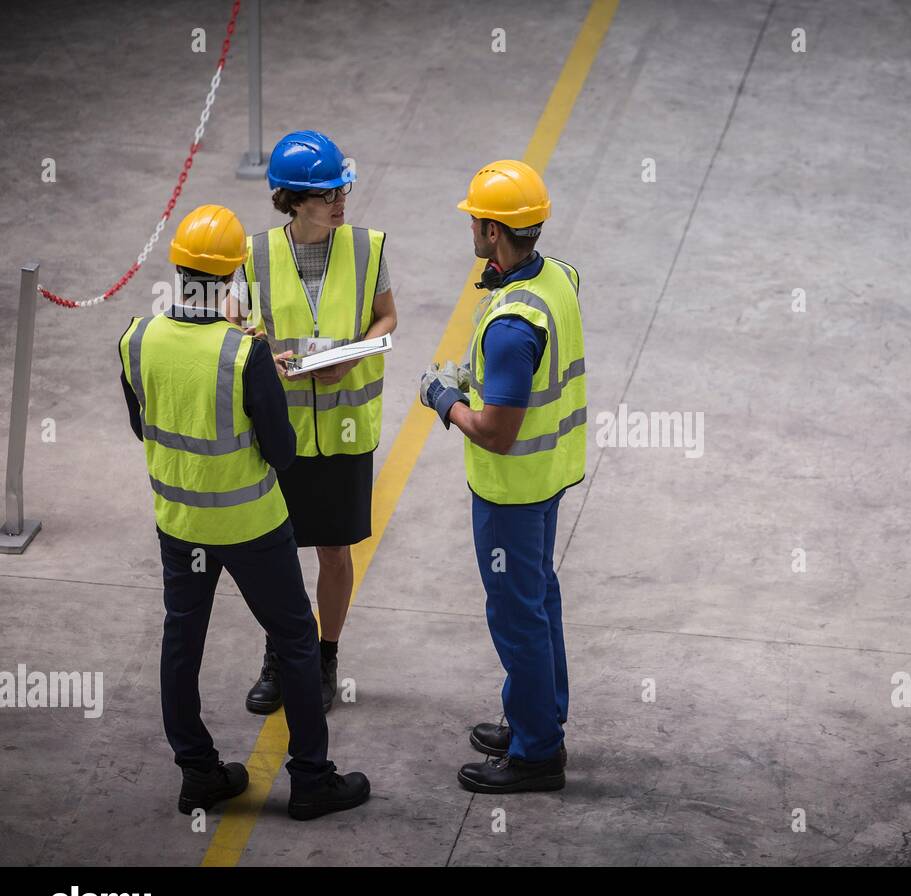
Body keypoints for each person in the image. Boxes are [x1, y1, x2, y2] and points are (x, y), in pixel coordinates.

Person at [119, 204, 370, 820]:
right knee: (296, 644)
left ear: (177, 268)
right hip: (252, 527)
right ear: (234, 276)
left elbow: (141, 425)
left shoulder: (136, 338)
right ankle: (311, 779)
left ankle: (199, 773)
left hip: (180, 526)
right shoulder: (243, 353)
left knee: (182, 644)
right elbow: (281, 453)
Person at [420, 160, 586, 793]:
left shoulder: (513, 326)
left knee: (516, 615)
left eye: (476, 222)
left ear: (494, 231)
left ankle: (538, 753)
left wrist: (444, 397)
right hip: (548, 476)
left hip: (511, 490)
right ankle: (538, 717)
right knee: (538, 599)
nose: (471, 231)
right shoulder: (558, 278)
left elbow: (495, 430)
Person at [226, 130, 398, 715]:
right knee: (277, 556)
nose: (340, 201)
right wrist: (263, 358)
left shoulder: (368, 247)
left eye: (342, 188)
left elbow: (386, 319)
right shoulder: (255, 255)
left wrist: (355, 353)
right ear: (294, 201)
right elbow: (236, 330)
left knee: (334, 552)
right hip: (284, 433)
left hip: (346, 431)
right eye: (326, 194)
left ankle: (323, 659)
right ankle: (281, 654)